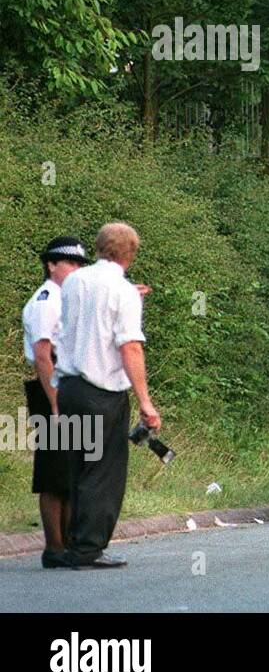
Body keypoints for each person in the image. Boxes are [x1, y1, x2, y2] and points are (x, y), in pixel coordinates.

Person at [48, 222, 162, 569]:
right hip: (102, 392)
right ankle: (88, 549)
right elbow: (129, 347)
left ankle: (70, 543)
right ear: (130, 253)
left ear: (98, 247)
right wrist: (145, 402)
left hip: (68, 387)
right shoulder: (122, 291)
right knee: (103, 473)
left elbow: (84, 322)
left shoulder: (73, 283)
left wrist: (128, 297)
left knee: (77, 466)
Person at [21, 237, 91, 567]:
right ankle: (55, 547)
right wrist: (54, 400)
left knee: (72, 472)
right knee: (53, 472)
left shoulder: (68, 299)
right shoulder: (46, 300)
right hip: (53, 388)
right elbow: (42, 354)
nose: (76, 270)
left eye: (80, 265)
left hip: (71, 387)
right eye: (70, 264)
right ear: (51, 265)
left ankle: (69, 544)